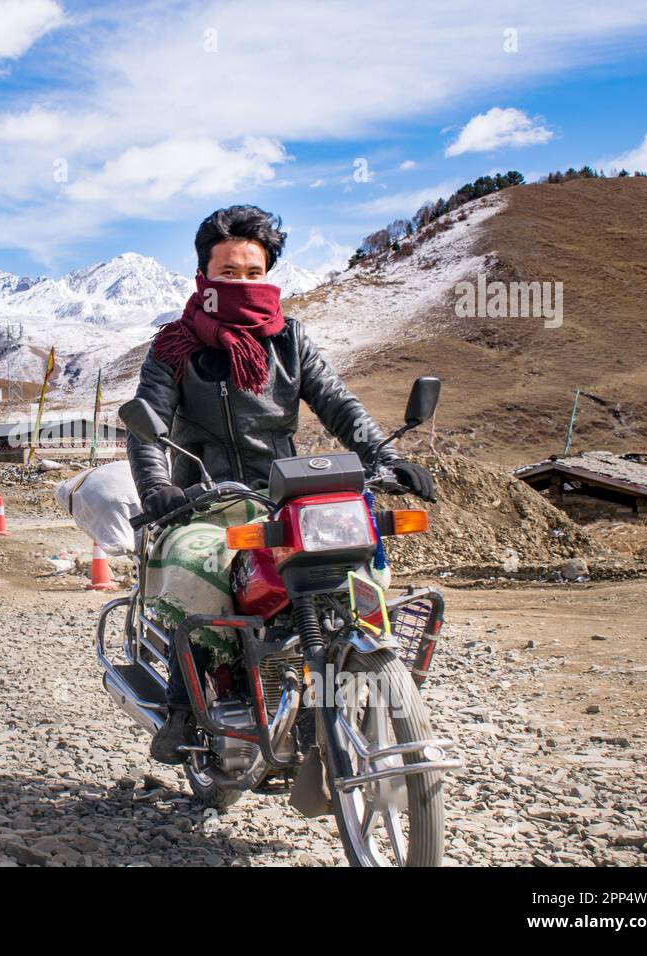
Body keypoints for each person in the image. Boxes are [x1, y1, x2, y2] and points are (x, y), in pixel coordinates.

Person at [127, 205, 436, 765]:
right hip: (204, 498)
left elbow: (338, 403)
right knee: (197, 579)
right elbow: (146, 424)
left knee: (350, 558)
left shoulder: (290, 338)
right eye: (229, 273)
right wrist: (158, 491)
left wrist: (386, 458)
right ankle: (182, 704)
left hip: (284, 493)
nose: (242, 282)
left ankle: (342, 671)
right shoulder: (175, 347)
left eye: (254, 272)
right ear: (204, 277)